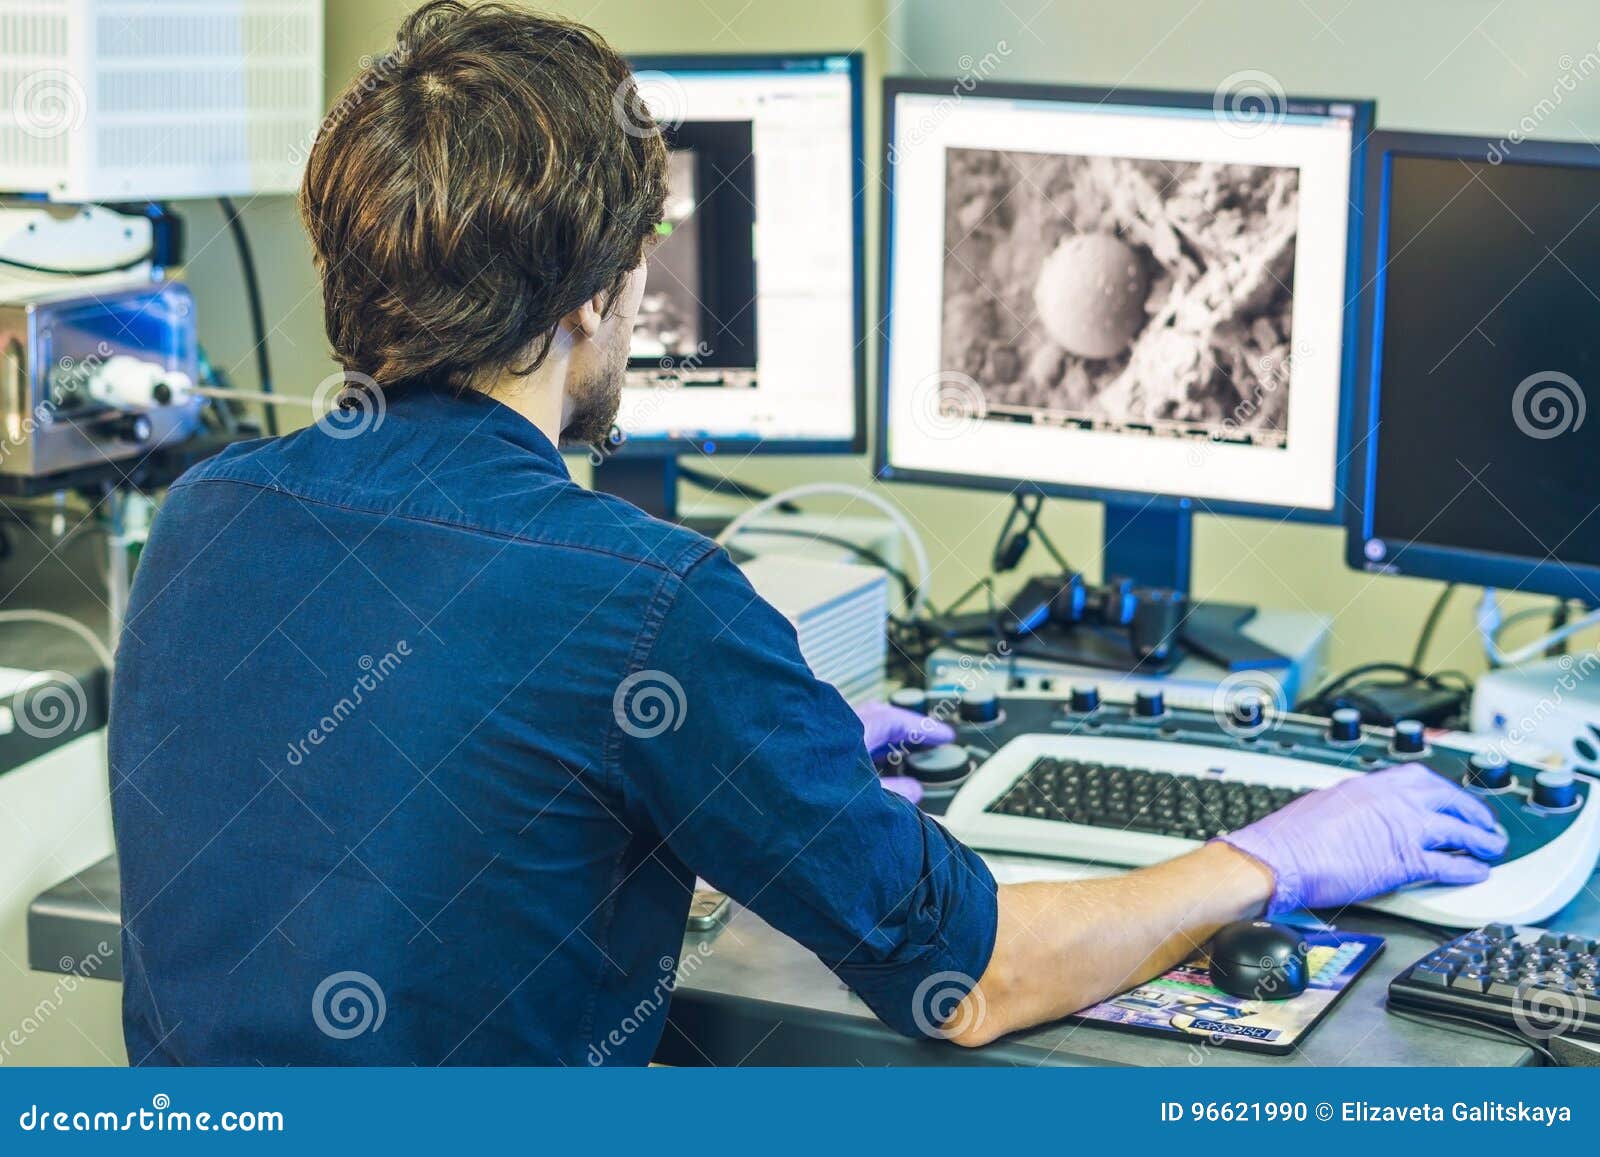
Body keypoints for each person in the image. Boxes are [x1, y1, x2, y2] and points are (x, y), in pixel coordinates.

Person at [109, 0, 1505, 1066]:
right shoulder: (645, 598)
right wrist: (1289, 851)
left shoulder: (202, 516)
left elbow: (438, 810)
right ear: (595, 297)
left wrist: (748, 772)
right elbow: (978, 977)